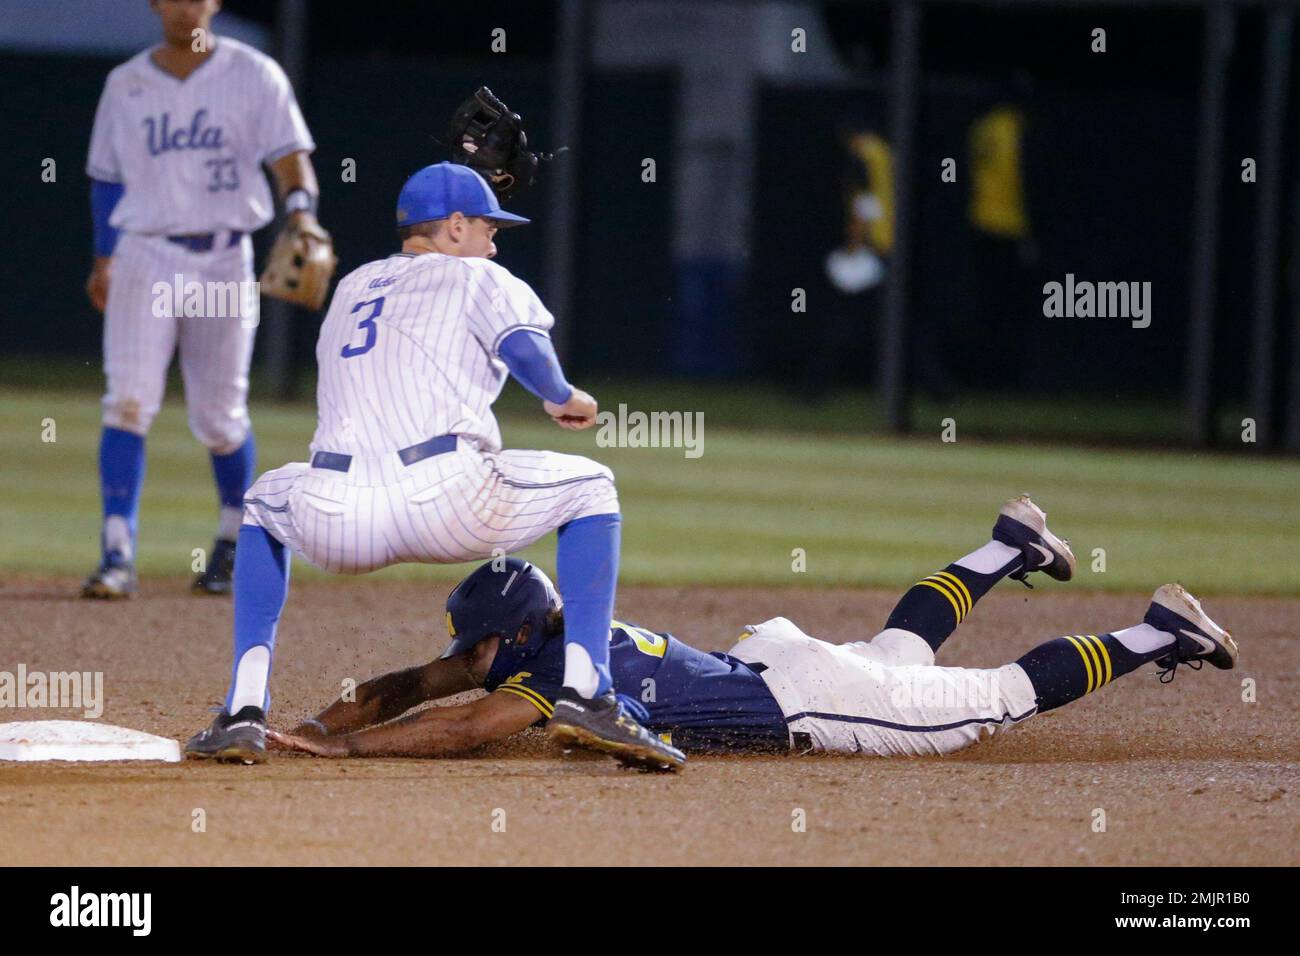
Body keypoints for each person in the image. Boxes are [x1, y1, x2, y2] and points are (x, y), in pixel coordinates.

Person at [184, 161, 684, 772]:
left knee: (262, 501)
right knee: (593, 488)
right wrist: (564, 398)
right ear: (452, 227)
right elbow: (526, 351)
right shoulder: (481, 276)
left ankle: (242, 713)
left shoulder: (353, 284)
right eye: (486, 227)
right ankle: (587, 695)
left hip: (334, 512)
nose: (493, 242)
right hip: (447, 498)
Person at [264, 496, 1238, 760]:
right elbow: (419, 684)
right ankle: (1007, 545)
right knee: (897, 653)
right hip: (778, 665)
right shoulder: (549, 628)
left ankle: (1157, 629)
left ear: (507, 636)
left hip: (800, 687)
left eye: (472, 644)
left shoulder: (558, 661)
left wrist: (344, 757)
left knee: (993, 697)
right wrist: (319, 721)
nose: (463, 657)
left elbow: (464, 725)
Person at [82, 0, 325, 598]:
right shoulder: (127, 82)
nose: (184, 5)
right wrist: (104, 256)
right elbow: (106, 177)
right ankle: (117, 554)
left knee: (220, 417)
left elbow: (294, 164)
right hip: (145, 254)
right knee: (128, 403)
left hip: (224, 257)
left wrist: (300, 214)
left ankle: (230, 542)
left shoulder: (254, 74)